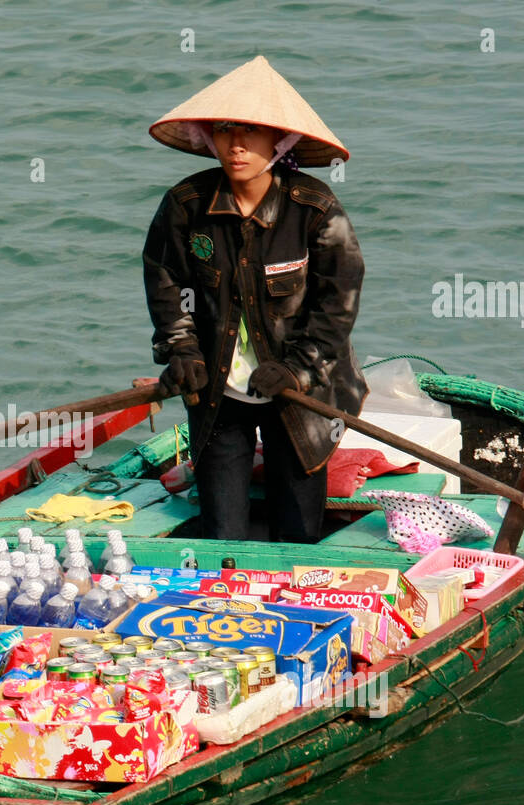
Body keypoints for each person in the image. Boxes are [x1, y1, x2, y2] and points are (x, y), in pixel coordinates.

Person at [142, 55, 367, 543]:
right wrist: (181, 351)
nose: (236, 144)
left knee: (299, 532)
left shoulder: (315, 210)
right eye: (223, 130)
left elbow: (338, 303)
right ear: (209, 137)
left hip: (300, 391)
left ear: (279, 140)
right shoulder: (185, 206)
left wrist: (298, 368)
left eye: (251, 131)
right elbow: (166, 284)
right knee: (222, 531)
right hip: (216, 389)